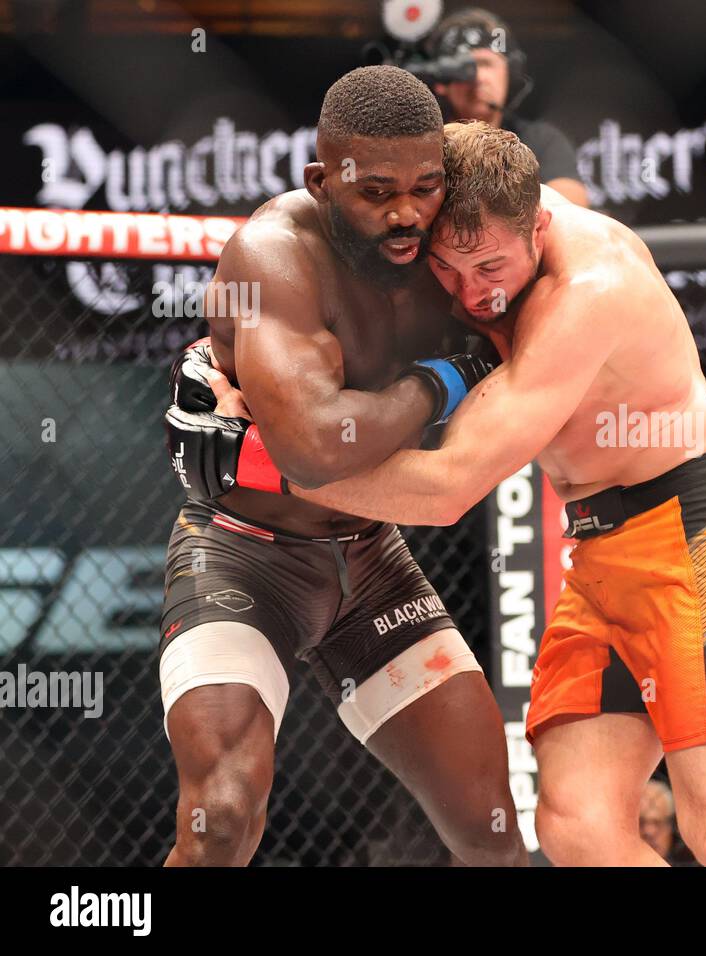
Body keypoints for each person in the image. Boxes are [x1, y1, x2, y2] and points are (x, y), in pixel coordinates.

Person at [172, 119, 706, 867]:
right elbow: (343, 310)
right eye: (449, 267)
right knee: (575, 827)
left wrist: (265, 458)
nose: (470, 294)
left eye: (488, 270)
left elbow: (447, 486)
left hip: (702, 538)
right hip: (603, 555)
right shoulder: (457, 253)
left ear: (539, 226)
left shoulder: (590, 291)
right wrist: (236, 365)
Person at [159, 67, 525, 866]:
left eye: (426, 187)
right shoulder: (274, 255)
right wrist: (445, 380)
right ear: (322, 181)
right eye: (377, 192)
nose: (405, 213)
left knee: (492, 827)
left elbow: (543, 221)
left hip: (374, 561)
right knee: (220, 817)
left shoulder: (455, 249)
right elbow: (315, 449)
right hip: (244, 556)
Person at [426, 7, 589, 207]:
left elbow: (571, 209)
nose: (477, 77)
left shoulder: (541, 140)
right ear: (442, 80)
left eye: (486, 64)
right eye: (463, 67)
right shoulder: (425, 144)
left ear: (509, 73)